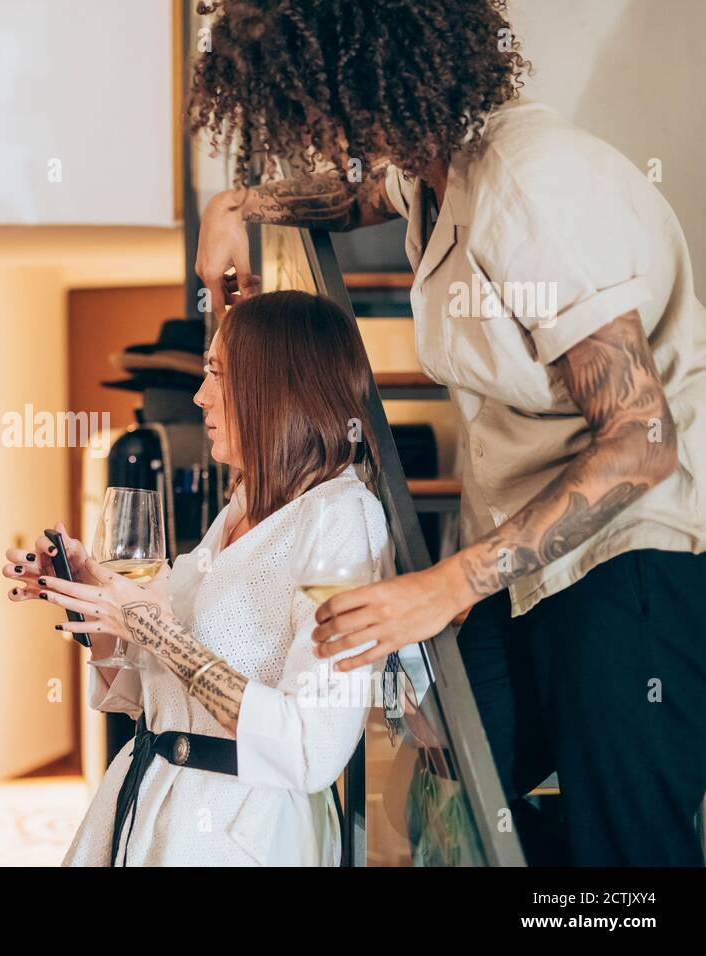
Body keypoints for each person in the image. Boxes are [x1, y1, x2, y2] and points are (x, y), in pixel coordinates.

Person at [189, 0, 706, 865]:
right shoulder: (432, 171)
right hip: (533, 563)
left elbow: (642, 438)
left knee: (625, 859)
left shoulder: (529, 184)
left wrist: (447, 586)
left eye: (311, 104)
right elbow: (353, 197)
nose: (308, 128)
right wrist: (238, 202)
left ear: (362, 81)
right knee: (441, 798)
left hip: (630, 560)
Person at [5, 291, 391, 865]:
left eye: (217, 373)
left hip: (241, 834)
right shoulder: (239, 510)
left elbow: (313, 745)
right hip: (155, 811)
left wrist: (147, 623)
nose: (199, 396)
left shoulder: (340, 522)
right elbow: (154, 695)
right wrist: (93, 595)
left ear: (277, 386)